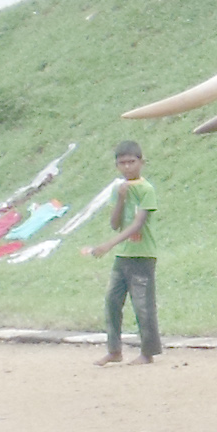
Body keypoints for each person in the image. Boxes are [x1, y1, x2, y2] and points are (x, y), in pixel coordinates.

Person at [81, 140, 162, 366]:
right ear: (117, 165)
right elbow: (115, 223)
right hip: (123, 256)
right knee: (112, 302)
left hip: (142, 255)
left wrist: (108, 245)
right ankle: (114, 350)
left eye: (131, 162)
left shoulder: (146, 189)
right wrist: (121, 198)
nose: (127, 167)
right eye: (122, 163)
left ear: (141, 162)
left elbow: (137, 224)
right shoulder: (119, 189)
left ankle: (148, 353)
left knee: (143, 305)